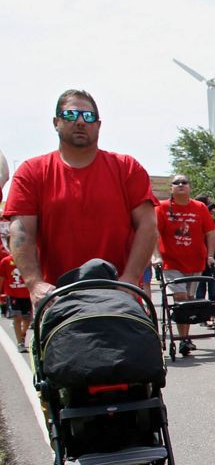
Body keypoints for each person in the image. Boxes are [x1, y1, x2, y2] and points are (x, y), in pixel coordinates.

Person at [2, 89, 158, 304]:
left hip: (120, 297)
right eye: (70, 115)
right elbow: (21, 232)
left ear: (99, 124)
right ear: (56, 122)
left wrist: (130, 277)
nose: (80, 122)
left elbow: (148, 225)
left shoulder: (127, 168)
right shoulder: (32, 171)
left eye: (88, 116)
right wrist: (34, 283)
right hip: (57, 299)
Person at [155, 175, 215, 355]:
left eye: (184, 183)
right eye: (177, 183)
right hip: (172, 263)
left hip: (195, 262)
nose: (181, 185)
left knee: (189, 301)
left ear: (190, 187)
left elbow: (211, 233)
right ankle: (183, 340)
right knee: (181, 299)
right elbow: (154, 233)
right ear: (171, 188)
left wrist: (210, 256)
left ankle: (185, 338)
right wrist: (156, 257)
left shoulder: (200, 208)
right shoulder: (162, 208)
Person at [0, 239, 31, 351]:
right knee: (17, 318)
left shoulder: (28, 260)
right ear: (9, 246)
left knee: (27, 319)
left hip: (27, 295)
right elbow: (2, 278)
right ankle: (20, 343)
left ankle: (22, 334)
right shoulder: (5, 261)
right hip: (13, 295)